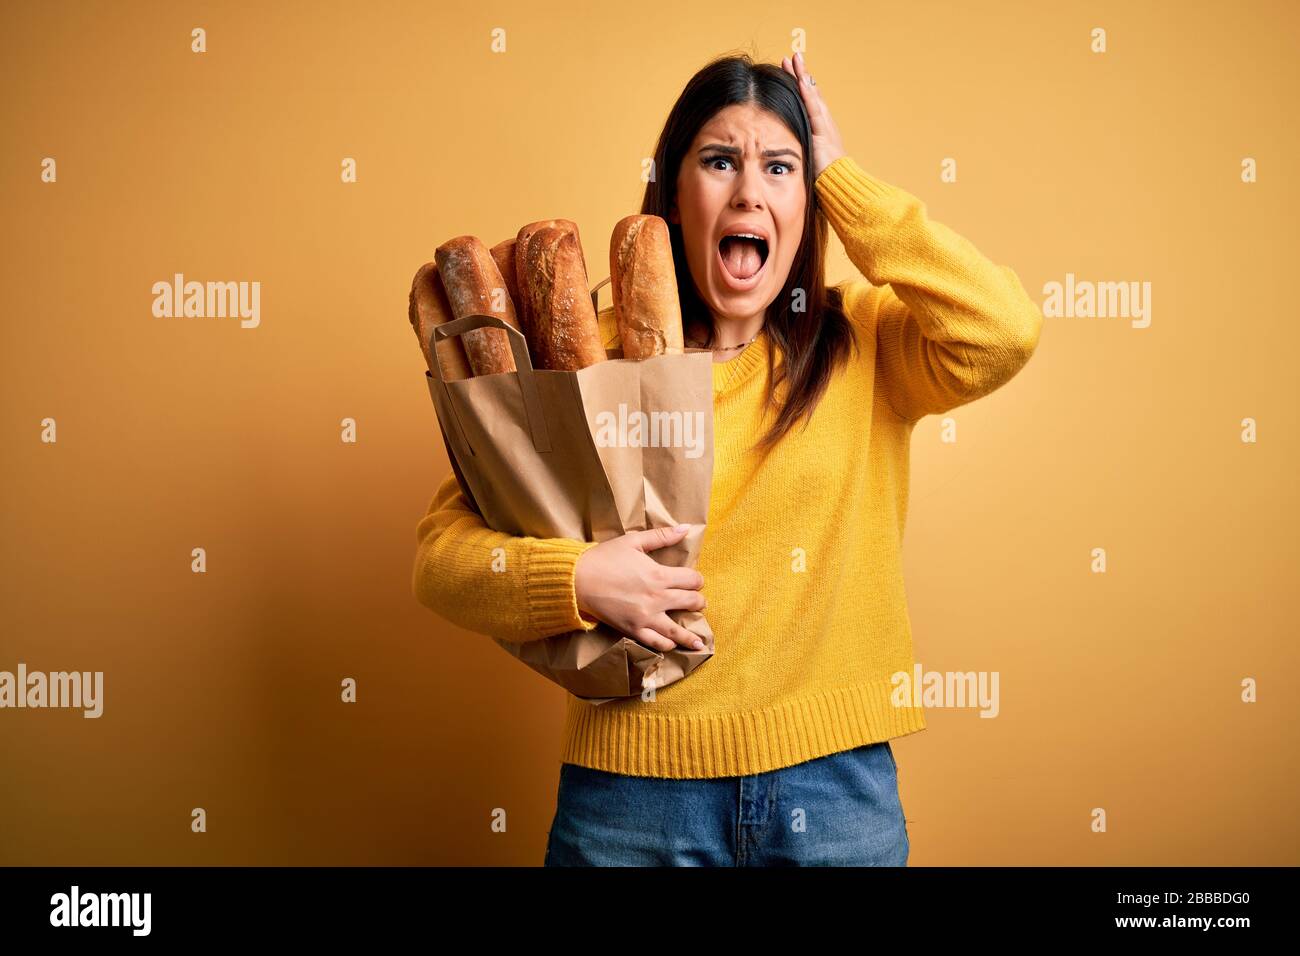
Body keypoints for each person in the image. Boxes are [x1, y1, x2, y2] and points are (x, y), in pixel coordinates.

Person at [412, 51, 1043, 866]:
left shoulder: (865, 344)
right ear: (676, 200)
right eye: (719, 162)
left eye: (780, 167)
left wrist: (842, 176)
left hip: (837, 792)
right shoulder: (587, 369)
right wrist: (575, 580)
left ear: (806, 201)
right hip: (631, 801)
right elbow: (440, 559)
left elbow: (1005, 329)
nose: (749, 191)